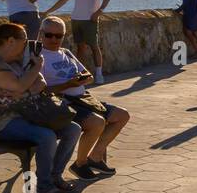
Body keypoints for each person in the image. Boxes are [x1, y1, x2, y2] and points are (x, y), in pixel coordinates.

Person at [0, 22, 82, 193]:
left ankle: (55, 176)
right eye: (24, 41)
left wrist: (27, 88)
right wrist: (34, 72)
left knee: (73, 129)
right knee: (46, 136)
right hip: (3, 123)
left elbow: (41, 84)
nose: (27, 45)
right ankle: (43, 186)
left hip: (29, 114)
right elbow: (19, 84)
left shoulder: (17, 62)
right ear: (10, 41)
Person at [38, 16, 130, 179]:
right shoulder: (39, 58)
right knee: (97, 122)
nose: (53, 39)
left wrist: (80, 80)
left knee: (122, 115)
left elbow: (89, 76)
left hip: (84, 98)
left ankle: (95, 157)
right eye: (49, 35)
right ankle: (80, 164)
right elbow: (42, 90)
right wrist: (68, 84)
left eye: (58, 36)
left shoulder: (66, 52)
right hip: (63, 102)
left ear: (63, 37)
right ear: (41, 34)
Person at [43, 0, 110, 84]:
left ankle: (99, 74)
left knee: (94, 47)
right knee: (80, 48)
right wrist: (48, 12)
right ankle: (81, 74)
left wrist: (99, 12)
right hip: (76, 19)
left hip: (90, 19)